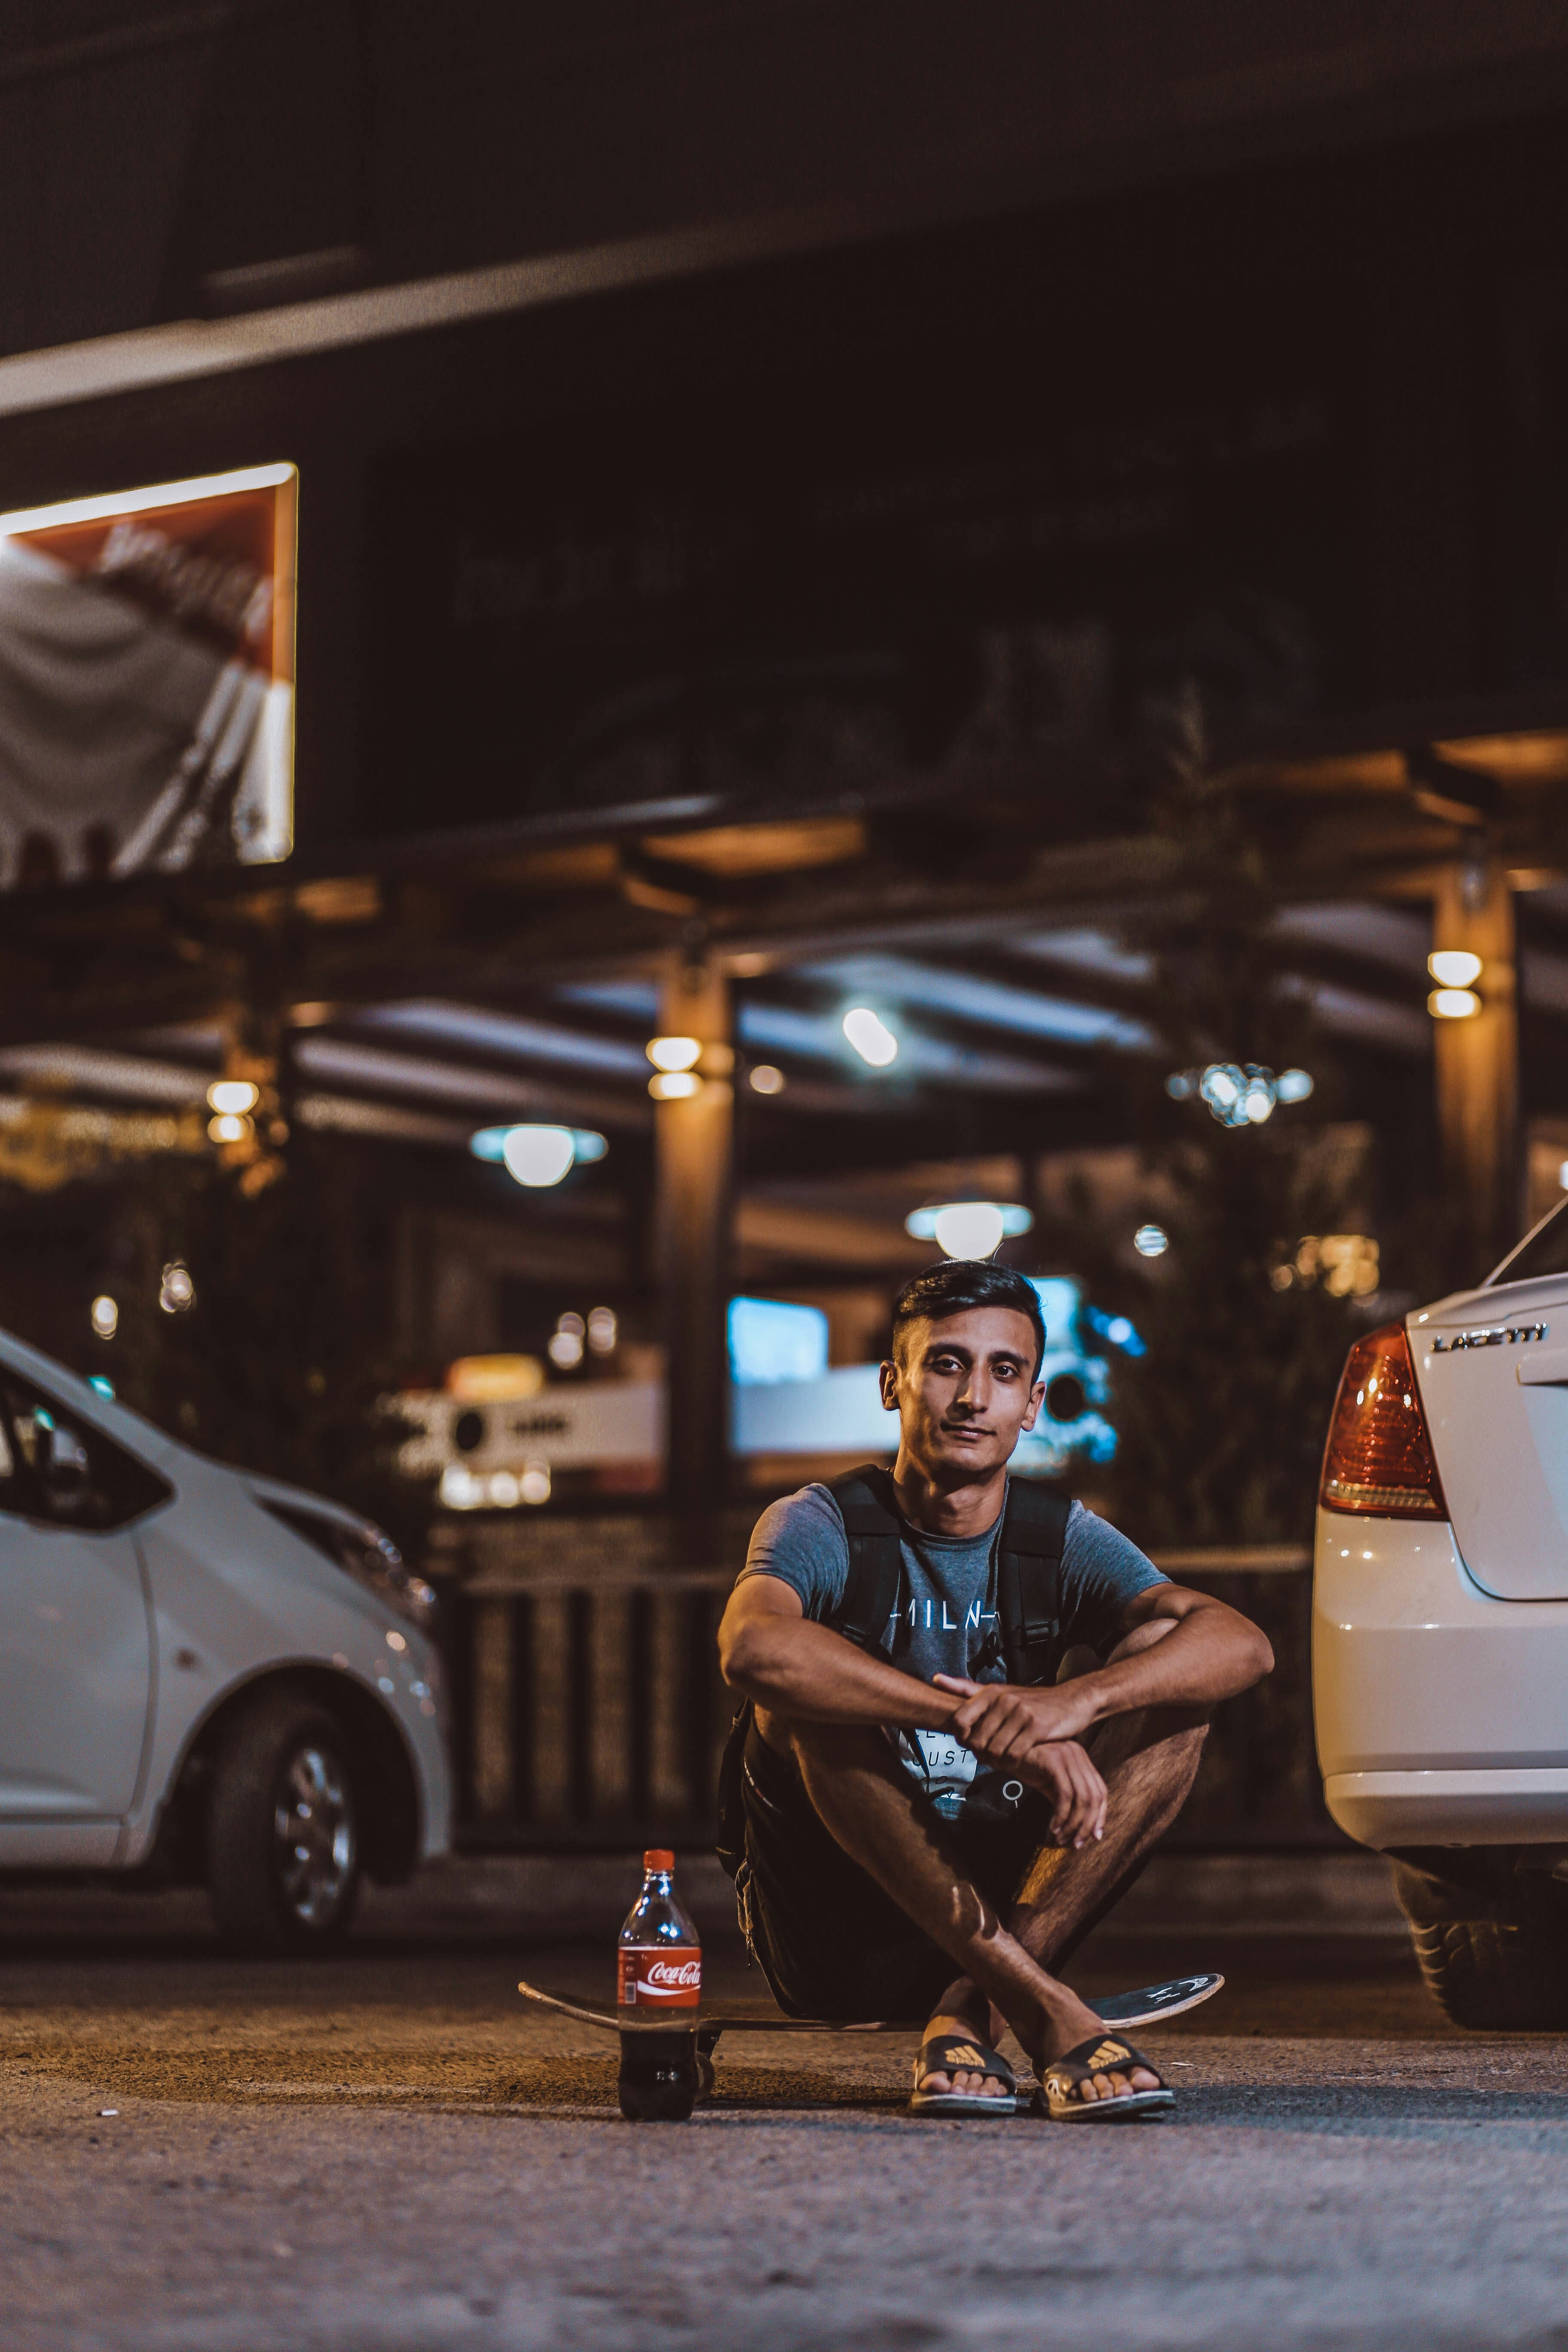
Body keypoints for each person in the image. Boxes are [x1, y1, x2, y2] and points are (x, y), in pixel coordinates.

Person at [716, 1257, 1274, 2121]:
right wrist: (972, 1720)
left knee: (1167, 1667)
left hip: (1008, 1914)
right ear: (893, 1385)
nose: (974, 1397)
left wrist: (1074, 1704)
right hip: (834, 1935)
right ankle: (1046, 2011)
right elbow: (752, 1650)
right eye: (947, 1364)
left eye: (1004, 1372)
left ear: (1032, 1403)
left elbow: (1243, 1645)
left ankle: (975, 2004)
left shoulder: (1059, 1537)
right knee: (801, 1699)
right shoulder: (822, 1523)